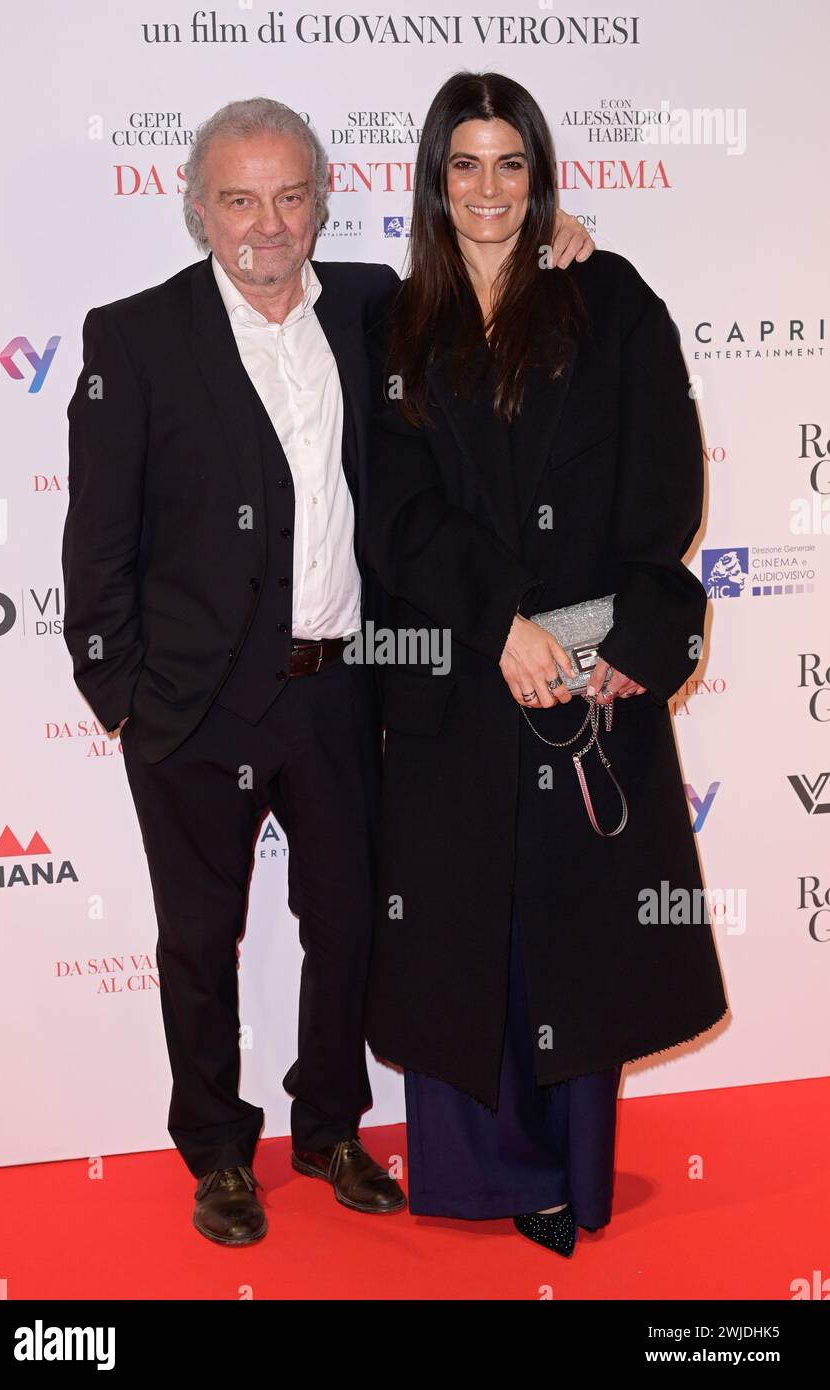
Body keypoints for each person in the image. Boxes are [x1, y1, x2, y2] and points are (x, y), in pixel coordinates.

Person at [61, 95, 594, 1246]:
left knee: (348, 921)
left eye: (290, 196)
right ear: (197, 206)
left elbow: (482, 272)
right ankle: (215, 1150)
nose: (267, 223)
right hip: (194, 704)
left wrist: (561, 241)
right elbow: (96, 542)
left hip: (341, 689)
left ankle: (329, 1126)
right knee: (199, 940)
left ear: (320, 203)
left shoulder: (367, 306)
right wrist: (126, 701)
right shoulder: (134, 336)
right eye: (240, 198)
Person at [362, 71, 730, 1257]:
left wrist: (634, 636)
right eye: (462, 165)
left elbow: (662, 476)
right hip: (456, 672)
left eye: (508, 163)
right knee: (467, 927)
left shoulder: (608, 299)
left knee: (571, 929)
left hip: (587, 679)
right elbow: (396, 510)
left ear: (540, 174)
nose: (487, 190)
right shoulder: (384, 321)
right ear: (431, 178)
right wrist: (499, 622)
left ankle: (566, 1169)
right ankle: (479, 1171)